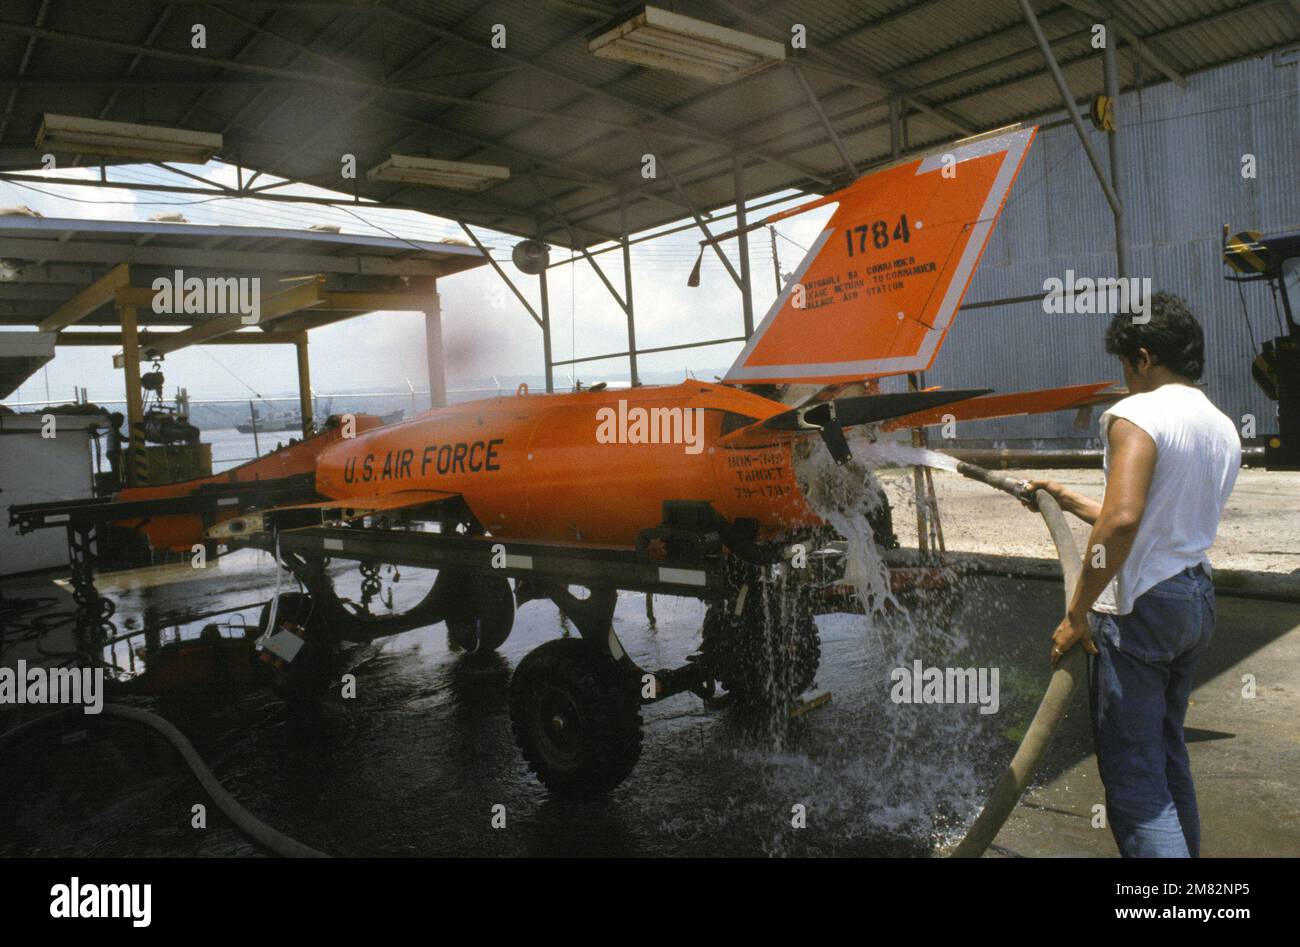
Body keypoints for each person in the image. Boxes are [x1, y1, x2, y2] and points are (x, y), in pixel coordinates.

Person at [1026, 292, 1241, 858]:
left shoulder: (1136, 415)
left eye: (1125, 365)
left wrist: (1078, 613)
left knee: (1136, 782)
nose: (1125, 378)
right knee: (1167, 759)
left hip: (1143, 604)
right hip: (1194, 598)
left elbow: (1123, 521)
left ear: (1143, 358)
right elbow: (1153, 517)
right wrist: (1070, 499)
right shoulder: (1219, 424)